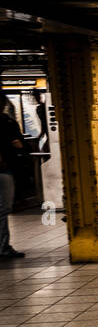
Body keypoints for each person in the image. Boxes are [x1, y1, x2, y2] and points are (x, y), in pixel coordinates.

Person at [0, 97, 28, 259]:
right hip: (4, 171)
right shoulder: (6, 122)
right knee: (3, 210)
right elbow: (18, 144)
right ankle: (3, 247)